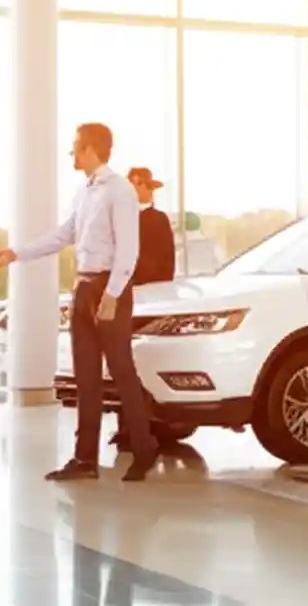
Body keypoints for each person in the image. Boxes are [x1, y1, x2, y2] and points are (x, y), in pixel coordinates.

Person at [0, 123, 159, 482]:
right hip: (83, 289)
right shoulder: (84, 193)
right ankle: (85, 460)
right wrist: (16, 253)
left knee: (122, 372)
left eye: (76, 147)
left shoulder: (120, 191)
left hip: (109, 291)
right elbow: (63, 235)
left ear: (92, 149)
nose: (72, 154)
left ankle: (145, 449)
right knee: (87, 377)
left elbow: (129, 248)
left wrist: (112, 294)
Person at [109, 167, 177, 451]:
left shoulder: (159, 220)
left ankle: (146, 426)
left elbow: (167, 262)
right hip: (123, 293)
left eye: (141, 184)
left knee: (141, 360)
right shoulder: (121, 219)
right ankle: (125, 426)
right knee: (121, 360)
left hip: (149, 296)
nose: (137, 188)